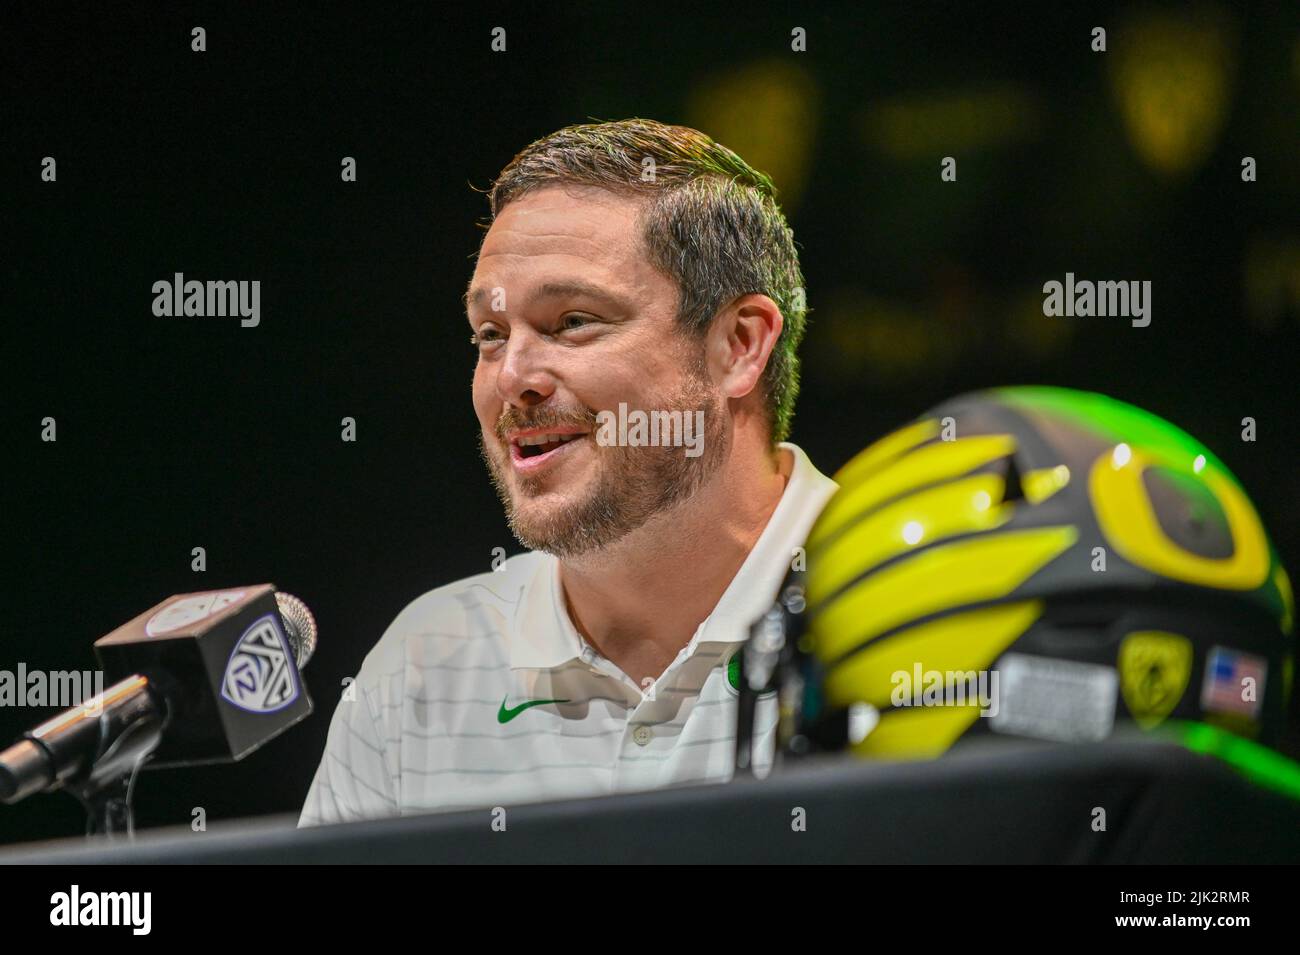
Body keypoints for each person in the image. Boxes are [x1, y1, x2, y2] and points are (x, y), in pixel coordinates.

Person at [299, 118, 837, 824]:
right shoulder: (423, 665)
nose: (511, 378)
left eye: (573, 320)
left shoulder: (914, 598)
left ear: (738, 345)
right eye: (490, 336)